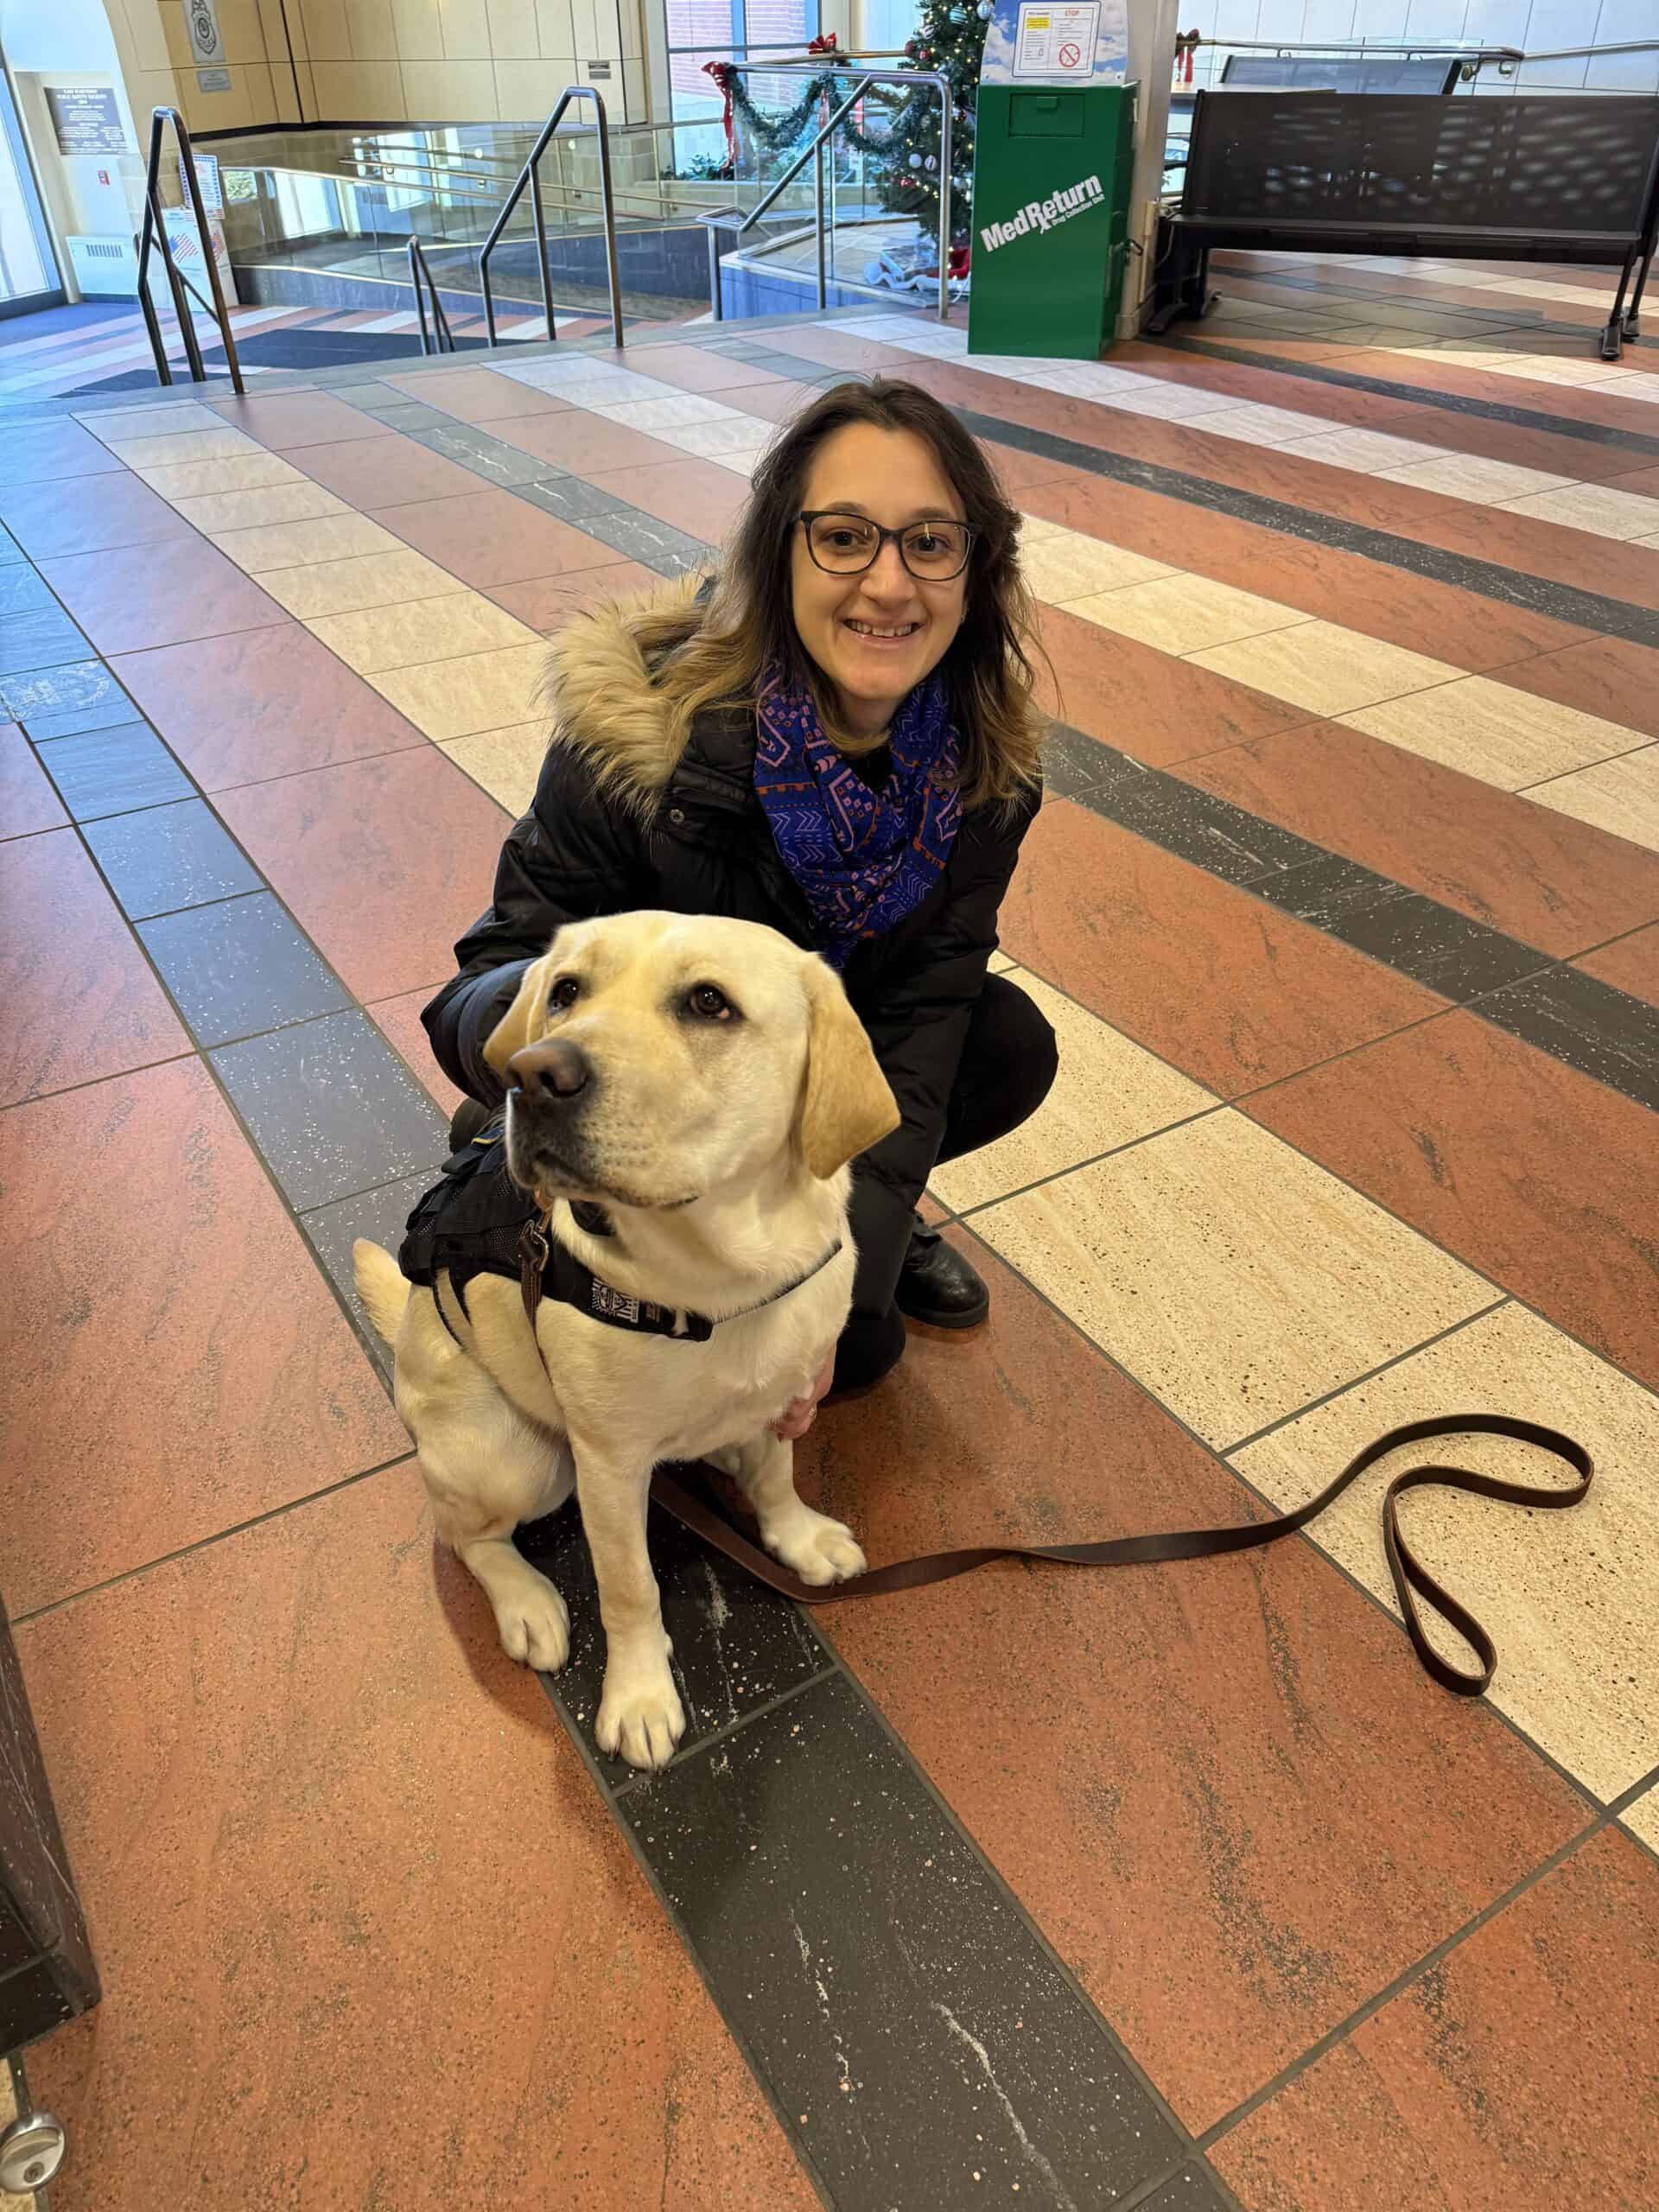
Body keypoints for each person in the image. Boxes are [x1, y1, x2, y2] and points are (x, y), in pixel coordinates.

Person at [423, 375, 1057, 1424]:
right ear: (780, 549)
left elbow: (919, 1020)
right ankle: (590, 1178)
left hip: (772, 1098)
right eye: (845, 537)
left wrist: (843, 1275)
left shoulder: (983, 776)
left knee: (1000, 1047)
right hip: (620, 1092)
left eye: (931, 543)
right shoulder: (642, 737)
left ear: (978, 569)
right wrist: (560, 1052)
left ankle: (834, 1220)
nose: (889, 585)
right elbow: (484, 974)